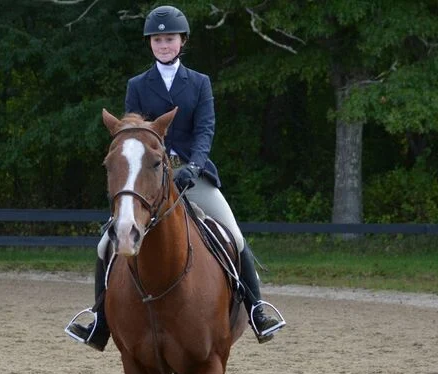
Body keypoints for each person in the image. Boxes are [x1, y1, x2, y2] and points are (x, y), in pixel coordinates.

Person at [66, 4, 286, 351]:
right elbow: (131, 131)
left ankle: (257, 308)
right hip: (149, 178)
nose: (164, 44)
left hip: (192, 175)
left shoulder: (199, 83)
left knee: (235, 236)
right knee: (106, 243)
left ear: (182, 41)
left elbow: (205, 129)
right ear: (150, 44)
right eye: (157, 39)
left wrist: (194, 167)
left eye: (169, 39)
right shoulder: (138, 85)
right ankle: (99, 320)